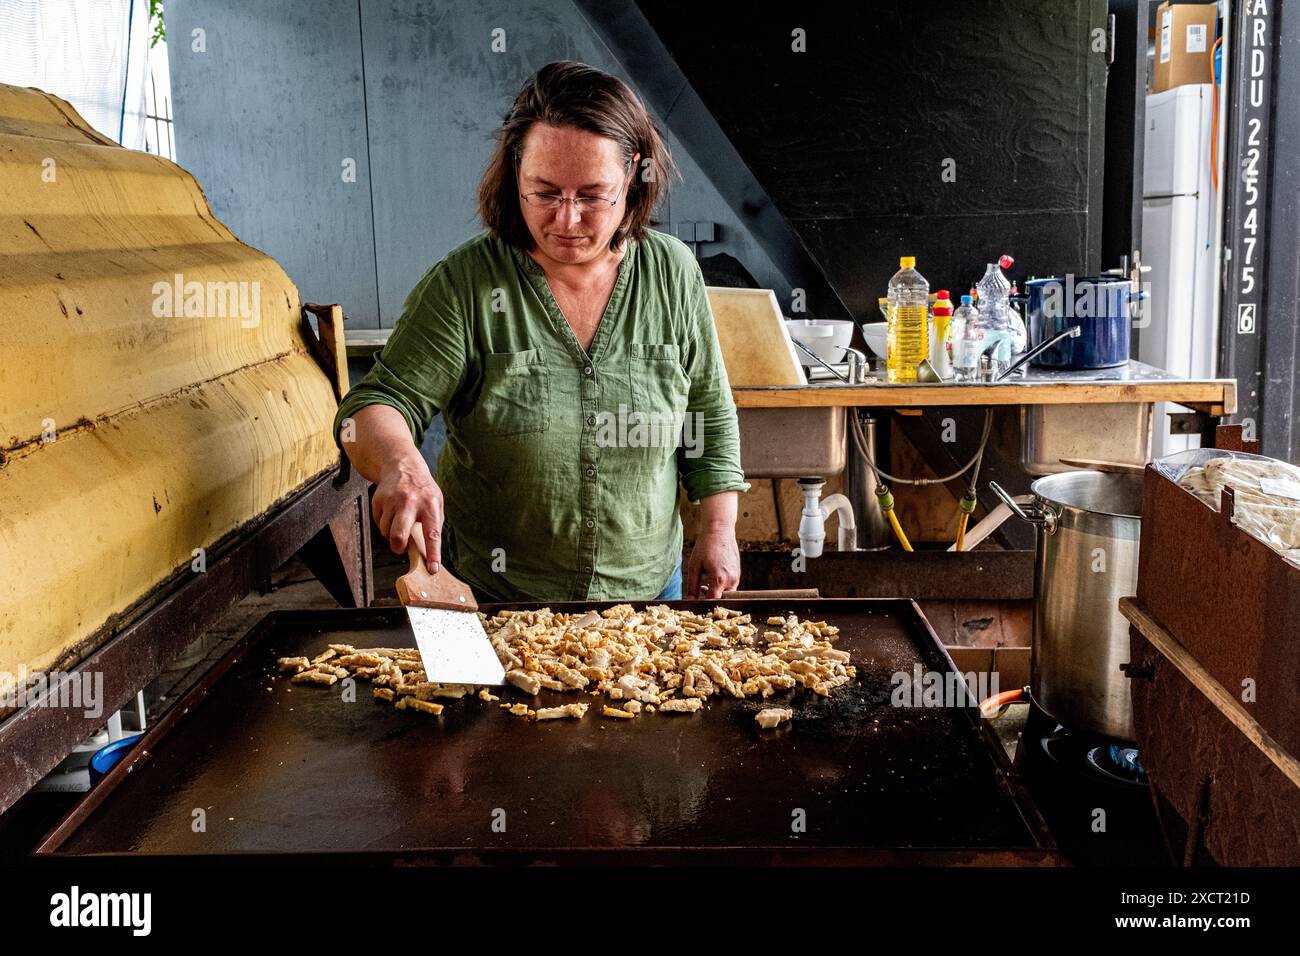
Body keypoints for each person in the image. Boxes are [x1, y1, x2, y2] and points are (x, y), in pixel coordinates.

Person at [332, 61, 748, 602]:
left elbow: (708, 415)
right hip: (499, 599)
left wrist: (718, 531)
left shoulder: (671, 272)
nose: (567, 220)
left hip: (649, 597)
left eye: (593, 195)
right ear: (514, 176)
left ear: (633, 176)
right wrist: (400, 462)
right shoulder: (466, 283)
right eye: (545, 193)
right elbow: (373, 405)